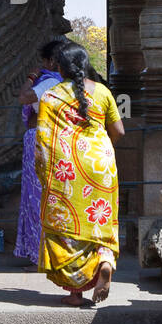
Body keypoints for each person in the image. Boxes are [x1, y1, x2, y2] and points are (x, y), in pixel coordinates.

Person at [36, 41, 125, 305]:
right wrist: (101, 149)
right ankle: (105, 261)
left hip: (67, 168)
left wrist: (43, 172)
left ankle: (75, 294)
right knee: (100, 222)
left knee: (69, 228)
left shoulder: (51, 97)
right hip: (101, 166)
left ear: (60, 68)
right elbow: (119, 131)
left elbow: (42, 142)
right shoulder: (103, 92)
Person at [14, 37, 67, 266]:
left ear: (52, 61)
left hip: (39, 140)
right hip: (55, 140)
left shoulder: (47, 83)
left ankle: (40, 250)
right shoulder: (66, 83)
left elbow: (24, 97)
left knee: (37, 196)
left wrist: (31, 76)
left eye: (44, 61)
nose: (42, 65)